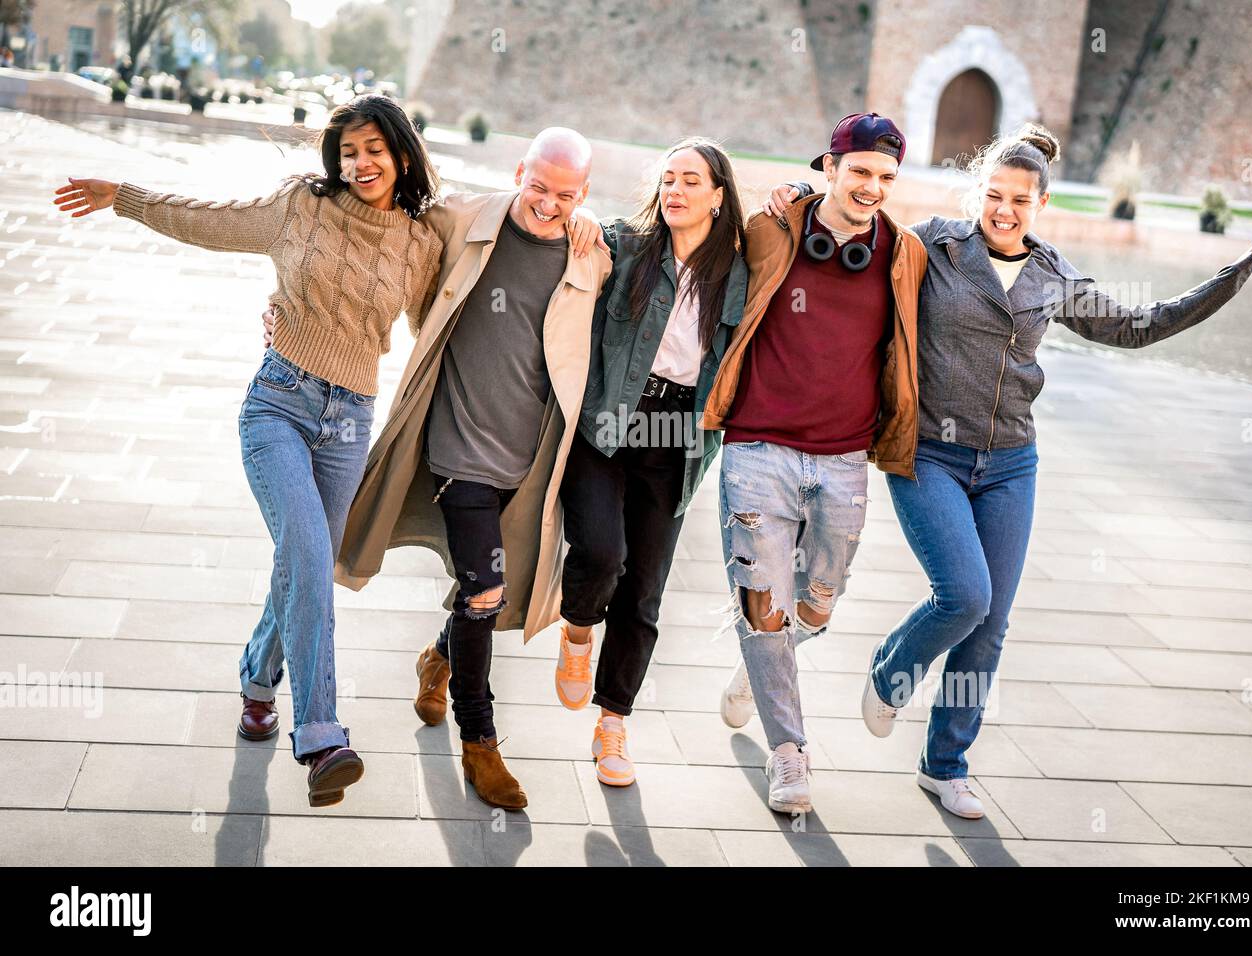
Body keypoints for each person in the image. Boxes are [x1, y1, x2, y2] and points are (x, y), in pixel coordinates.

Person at [771, 123, 1252, 818]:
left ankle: (944, 766)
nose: (1004, 210)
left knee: (991, 623)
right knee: (965, 595)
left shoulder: (1054, 276)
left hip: (1011, 463)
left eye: (1019, 201)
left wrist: (1230, 278)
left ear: (1040, 206)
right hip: (929, 455)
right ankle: (891, 675)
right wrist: (799, 192)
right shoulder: (933, 245)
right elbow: (855, 222)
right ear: (980, 193)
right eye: (994, 195)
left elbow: (1137, 326)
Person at [53, 93, 444, 807]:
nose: (360, 163)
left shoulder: (421, 244)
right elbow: (211, 221)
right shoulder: (301, 205)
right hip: (278, 405)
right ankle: (322, 733)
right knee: (307, 555)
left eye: (374, 150)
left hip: (351, 420)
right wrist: (127, 197)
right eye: (349, 151)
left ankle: (258, 683)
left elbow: (452, 312)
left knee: (303, 564)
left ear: (402, 154)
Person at [265, 128, 612, 811]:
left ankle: (438, 657)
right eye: (538, 187)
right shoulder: (461, 218)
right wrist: (290, 303)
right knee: (485, 593)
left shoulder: (591, 251)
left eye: (565, 195)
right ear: (520, 170)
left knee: (482, 587)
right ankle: (479, 742)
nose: (548, 204)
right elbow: (370, 239)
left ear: (584, 194)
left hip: (529, 458)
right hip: (458, 451)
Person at [698, 113, 928, 814]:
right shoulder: (773, 227)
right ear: (829, 167)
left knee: (816, 603)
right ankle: (789, 751)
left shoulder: (905, 253)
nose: (871, 187)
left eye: (885, 177)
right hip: (756, 445)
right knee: (762, 599)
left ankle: (757, 666)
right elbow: (695, 240)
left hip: (844, 457)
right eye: (858, 171)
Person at [553, 138, 748, 787]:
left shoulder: (739, 273)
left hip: (677, 436)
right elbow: (576, 234)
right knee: (602, 555)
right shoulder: (629, 245)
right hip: (608, 422)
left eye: (691, 180)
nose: (676, 190)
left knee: (643, 595)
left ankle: (613, 728)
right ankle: (577, 629)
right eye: (668, 179)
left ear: (719, 196)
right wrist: (576, 219)